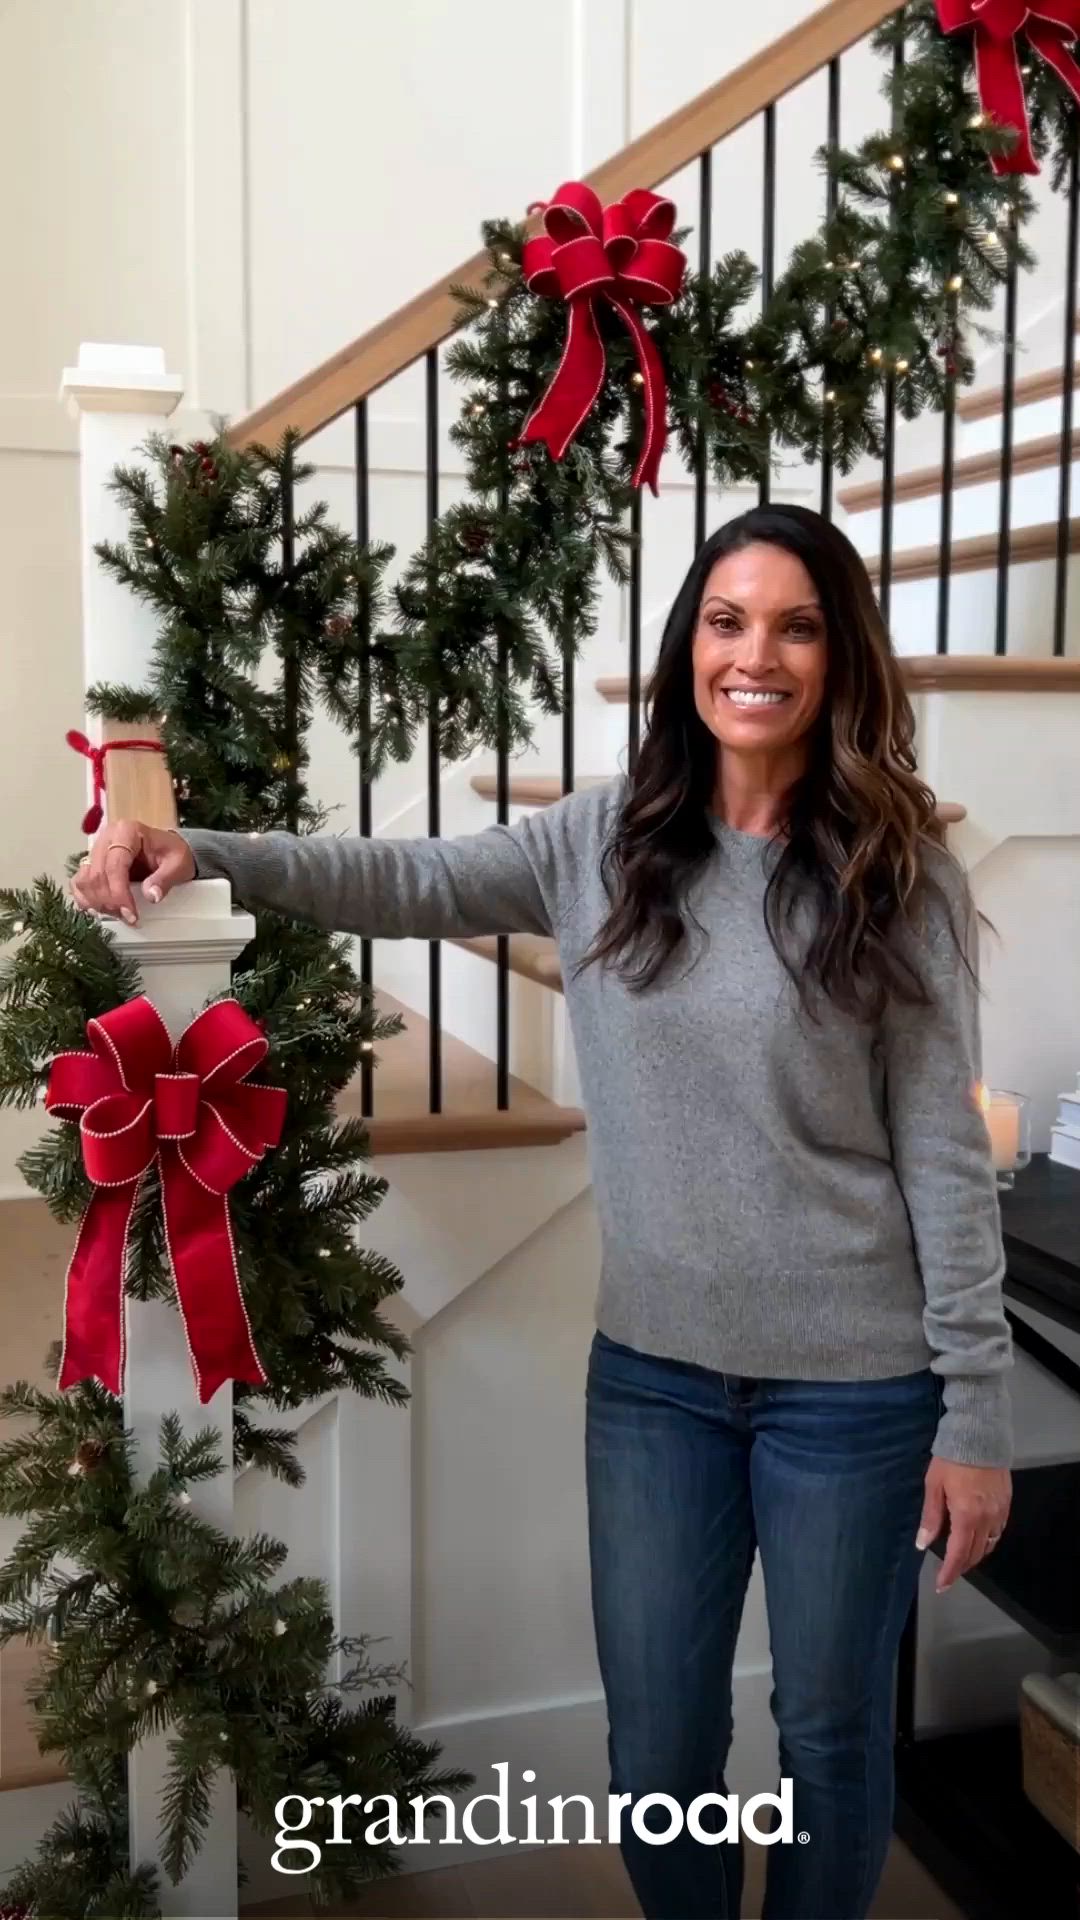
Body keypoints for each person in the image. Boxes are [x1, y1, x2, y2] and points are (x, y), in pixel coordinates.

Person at [73, 503, 1013, 1920]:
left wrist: (976, 1421)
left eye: (797, 625)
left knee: (827, 1741)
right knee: (659, 1754)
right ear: (689, 645)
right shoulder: (604, 847)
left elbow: (942, 1154)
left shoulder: (896, 874)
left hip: (859, 1395)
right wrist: (199, 847)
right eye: (727, 619)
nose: (757, 654)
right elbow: (402, 878)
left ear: (840, 659)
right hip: (654, 1387)